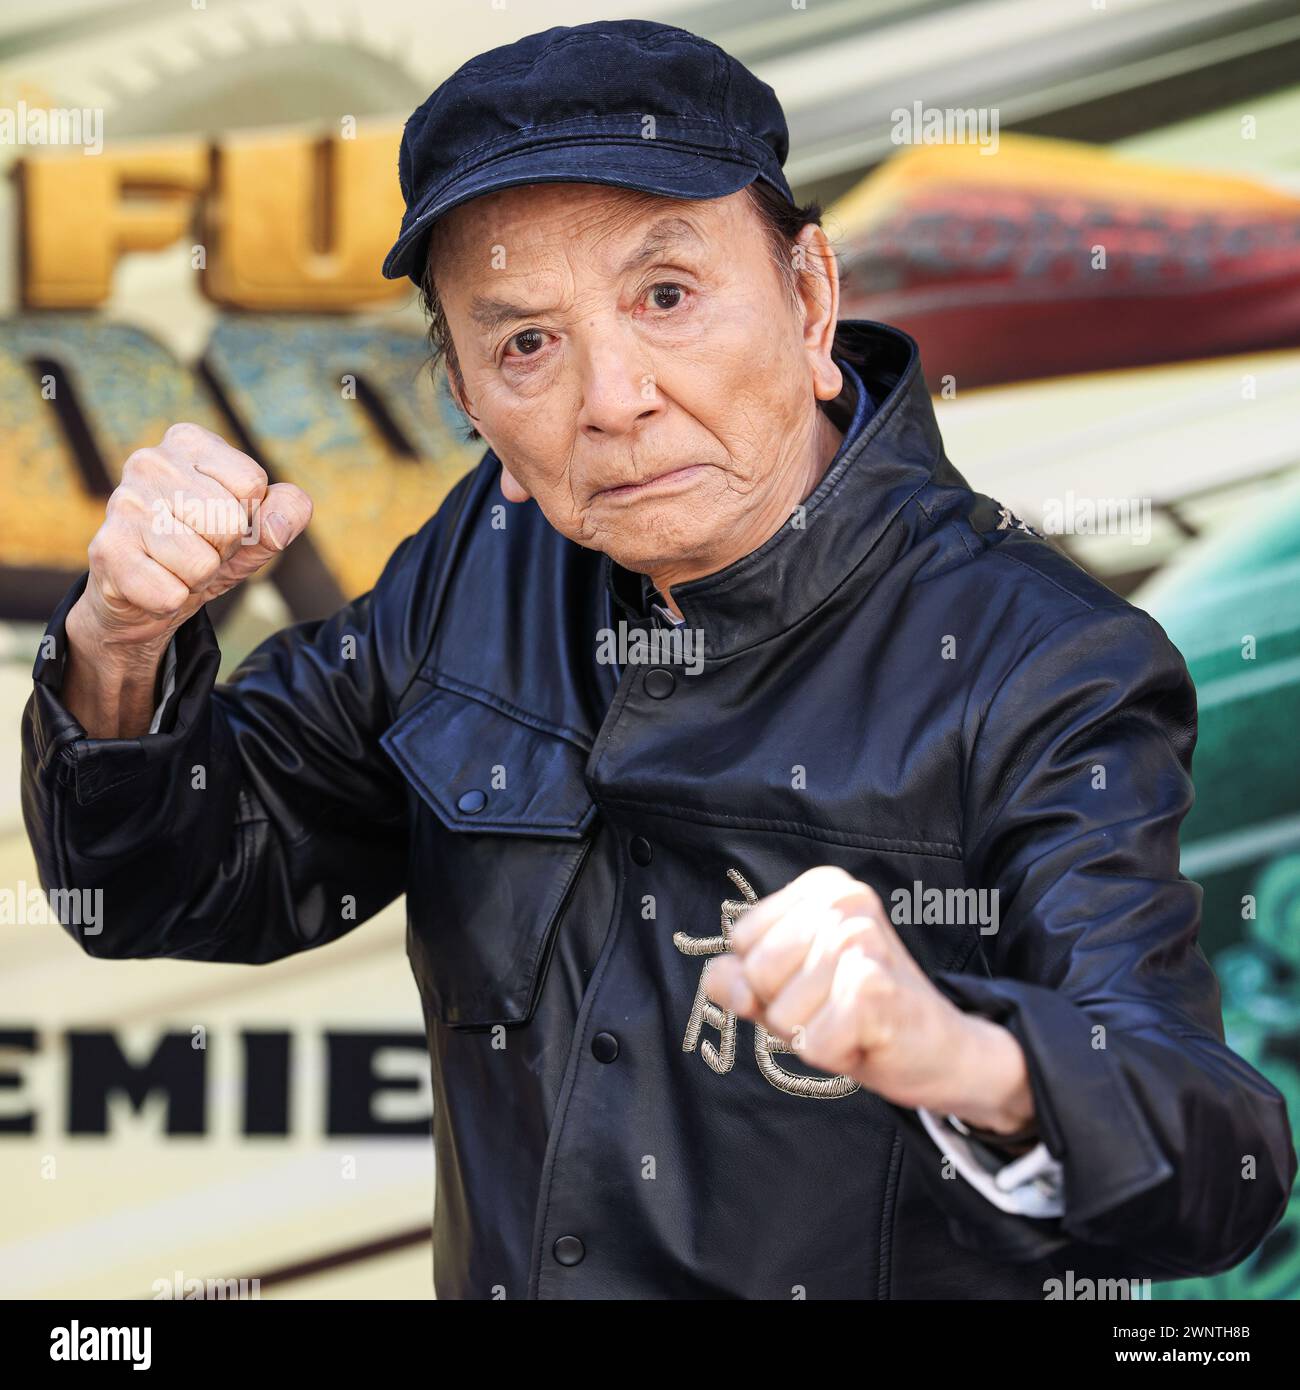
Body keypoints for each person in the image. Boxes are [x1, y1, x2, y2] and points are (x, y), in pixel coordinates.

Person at [21, 19, 1294, 1299]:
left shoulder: (1041, 659)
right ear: (462, 391)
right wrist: (120, 645)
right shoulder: (483, 549)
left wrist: (964, 1056)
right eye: (526, 341)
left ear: (808, 297)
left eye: (666, 297)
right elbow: (164, 886)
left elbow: (1217, 1173)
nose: (611, 397)